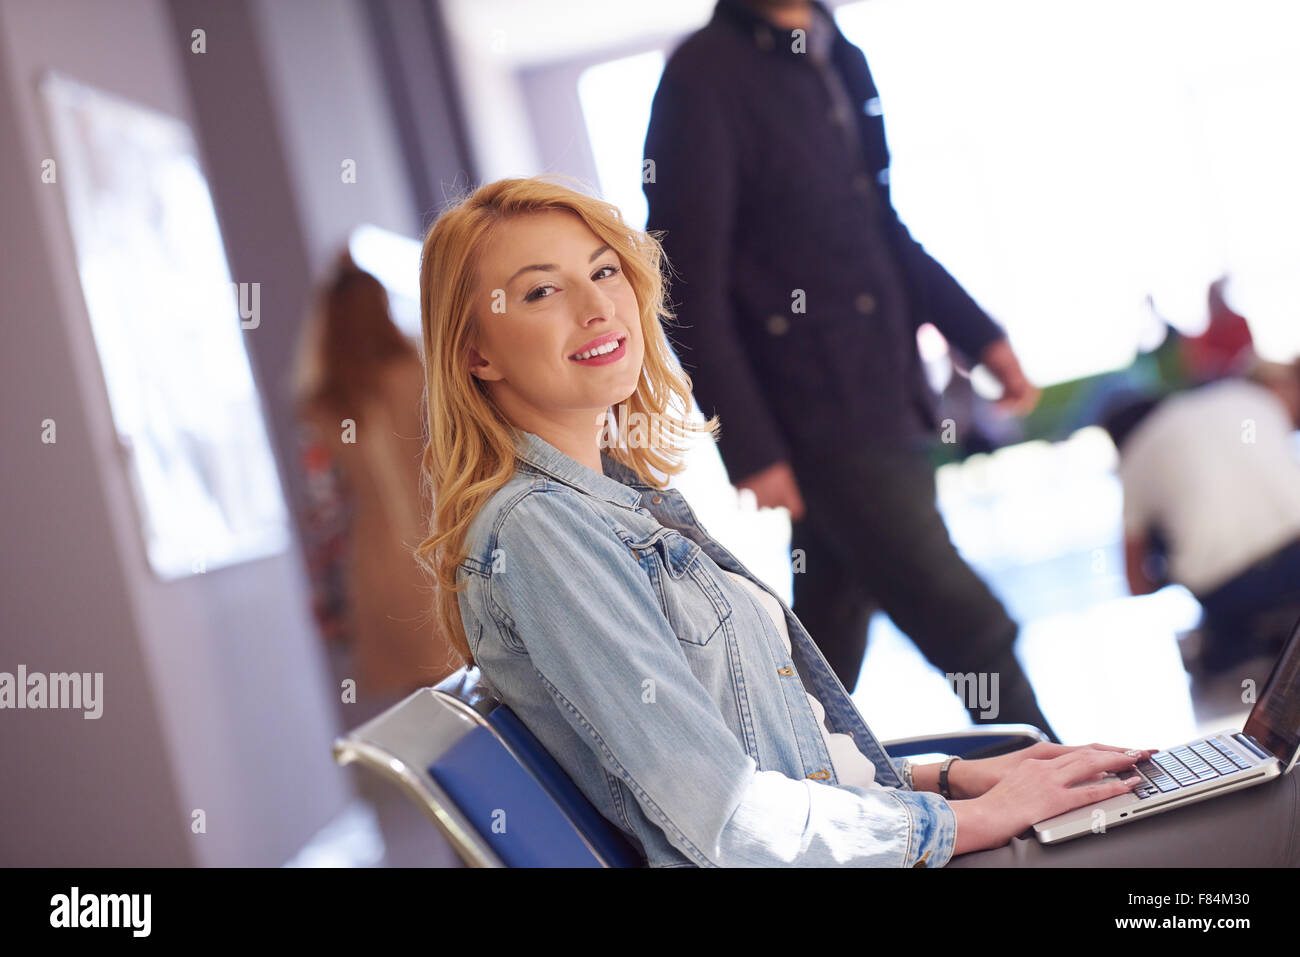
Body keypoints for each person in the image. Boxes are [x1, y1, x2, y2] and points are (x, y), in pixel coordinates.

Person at [411, 175, 1299, 866]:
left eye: (604, 271)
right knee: (1277, 824)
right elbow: (727, 821)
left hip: (890, 839)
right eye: (539, 292)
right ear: (474, 351)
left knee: (1244, 799)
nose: (597, 304)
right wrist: (964, 819)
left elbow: (767, 763)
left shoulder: (614, 502)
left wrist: (952, 777)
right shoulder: (543, 534)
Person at [642, 0, 1059, 740]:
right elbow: (682, 281)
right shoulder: (702, 75)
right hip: (816, 419)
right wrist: (752, 445)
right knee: (967, 621)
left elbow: (882, 226)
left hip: (888, 393)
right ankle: (1059, 779)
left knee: (826, 643)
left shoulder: (841, 55)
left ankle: (773, 798)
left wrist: (981, 336)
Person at [292, 252, 459, 698]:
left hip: (376, 578)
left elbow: (324, 515)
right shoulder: (426, 376)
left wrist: (328, 609)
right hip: (447, 555)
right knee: (487, 708)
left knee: (426, 730)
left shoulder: (321, 406)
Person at [1103, 359, 1300, 674]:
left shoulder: (1135, 458)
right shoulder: (1244, 396)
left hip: (1230, 592)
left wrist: (1168, 572)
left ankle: (1236, 651)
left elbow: (1135, 581)